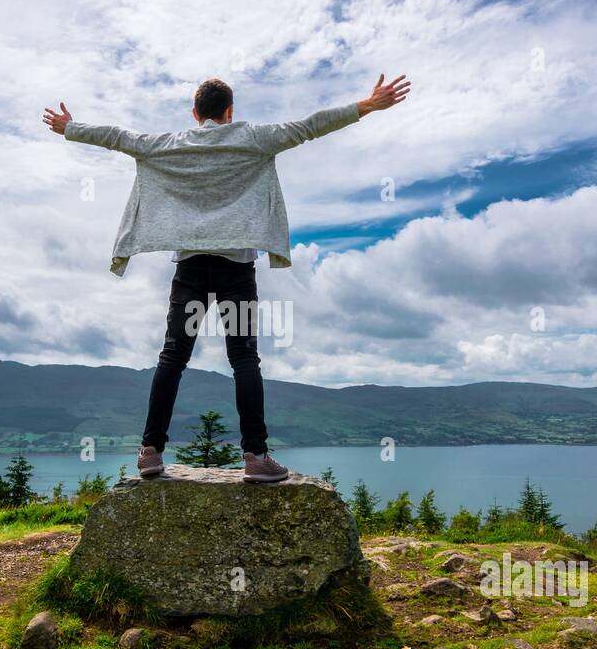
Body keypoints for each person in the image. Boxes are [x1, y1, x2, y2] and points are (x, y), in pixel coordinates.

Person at [43, 73, 411, 482]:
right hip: (236, 270)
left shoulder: (170, 144)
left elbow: (120, 137)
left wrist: (70, 129)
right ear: (230, 111)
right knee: (243, 360)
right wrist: (366, 105)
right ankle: (255, 457)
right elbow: (311, 125)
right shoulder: (253, 138)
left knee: (173, 356)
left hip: (191, 270)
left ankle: (150, 451)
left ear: (195, 114)